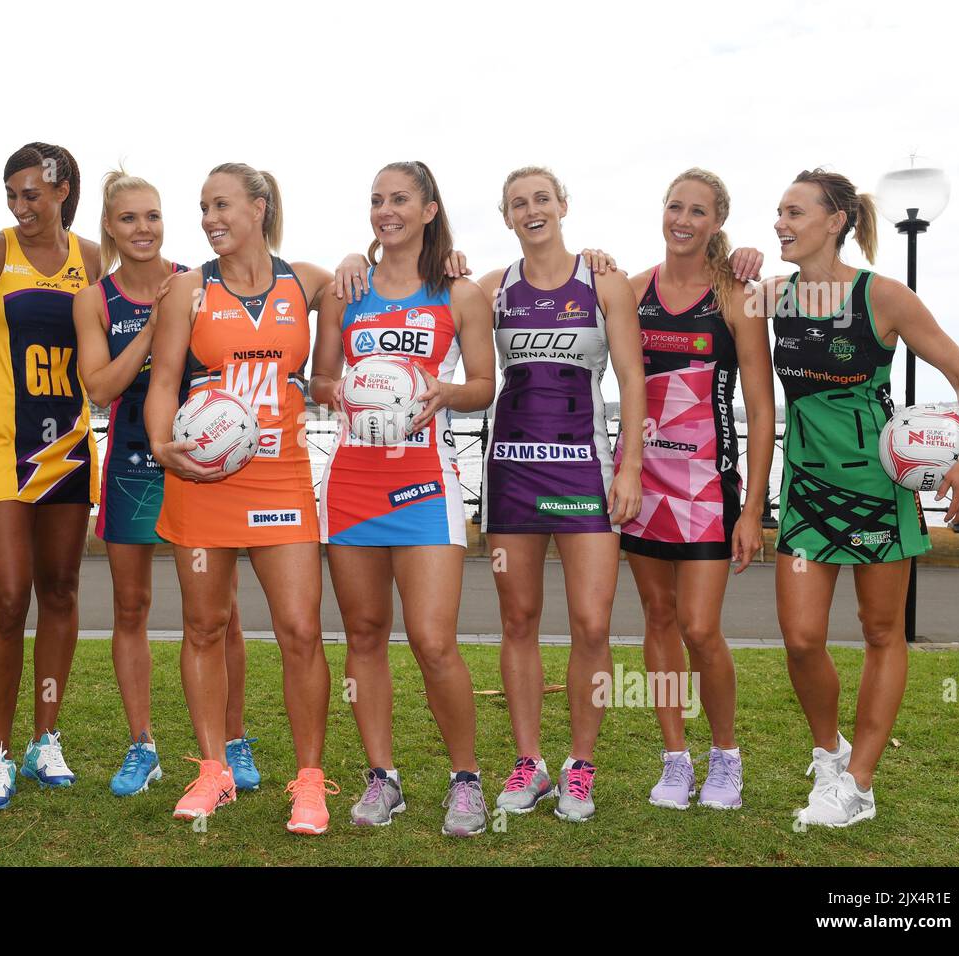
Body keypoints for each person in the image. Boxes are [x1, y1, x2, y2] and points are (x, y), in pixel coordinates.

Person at [767, 168, 959, 827]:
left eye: (794, 212)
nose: (780, 222)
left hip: (878, 493)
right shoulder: (771, 297)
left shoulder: (882, 297)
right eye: (777, 211)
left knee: (882, 632)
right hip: (805, 491)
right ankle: (829, 750)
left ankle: (858, 784)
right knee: (801, 638)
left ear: (835, 221)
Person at [146, 163, 339, 834]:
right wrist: (161, 443)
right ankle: (212, 770)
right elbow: (163, 381)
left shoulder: (306, 281)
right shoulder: (188, 291)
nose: (208, 218)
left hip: (280, 478)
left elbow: (360, 280)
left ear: (259, 208)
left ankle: (309, 782)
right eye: (202, 208)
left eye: (221, 204)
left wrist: (352, 260)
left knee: (301, 630)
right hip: (202, 481)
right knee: (202, 627)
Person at [310, 161, 497, 836]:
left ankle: (467, 780)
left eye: (398, 200)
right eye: (375, 200)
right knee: (363, 634)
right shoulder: (345, 289)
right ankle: (381, 778)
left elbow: (483, 385)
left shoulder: (460, 293)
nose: (385, 210)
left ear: (428, 209)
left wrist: (438, 394)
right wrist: (353, 393)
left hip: (426, 482)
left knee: (432, 640)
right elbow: (319, 380)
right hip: (354, 481)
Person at [71, 169, 253, 797]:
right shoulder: (95, 300)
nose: (142, 229)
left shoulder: (199, 280)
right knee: (131, 607)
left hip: (203, 464)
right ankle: (141, 745)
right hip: (132, 465)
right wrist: (153, 329)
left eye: (152, 216)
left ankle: (233, 742)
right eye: (128, 219)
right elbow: (99, 388)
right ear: (109, 227)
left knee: (219, 616)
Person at [474, 166, 645, 822]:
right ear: (508, 216)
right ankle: (529, 762)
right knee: (518, 620)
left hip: (583, 472)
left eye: (541, 198)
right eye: (519, 203)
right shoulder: (493, 288)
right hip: (512, 471)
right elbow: (434, 292)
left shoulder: (604, 282)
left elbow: (632, 380)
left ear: (562, 205)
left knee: (592, 623)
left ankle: (580, 763)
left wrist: (628, 468)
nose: (531, 210)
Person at [0, 142, 100, 811]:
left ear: (63, 190)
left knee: (59, 589)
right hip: (1, 444)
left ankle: (45, 737)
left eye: (33, 193)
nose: (20, 206)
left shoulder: (92, 257)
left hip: (69, 444)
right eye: (12, 194)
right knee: (7, 597)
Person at [616, 169, 774, 812]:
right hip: (641, 480)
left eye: (698, 211)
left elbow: (762, 412)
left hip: (710, 488)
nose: (682, 219)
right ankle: (675, 759)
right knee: (657, 618)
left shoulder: (737, 294)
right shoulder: (628, 291)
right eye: (674, 207)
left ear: (717, 221)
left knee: (701, 627)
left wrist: (754, 512)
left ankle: (726, 758)